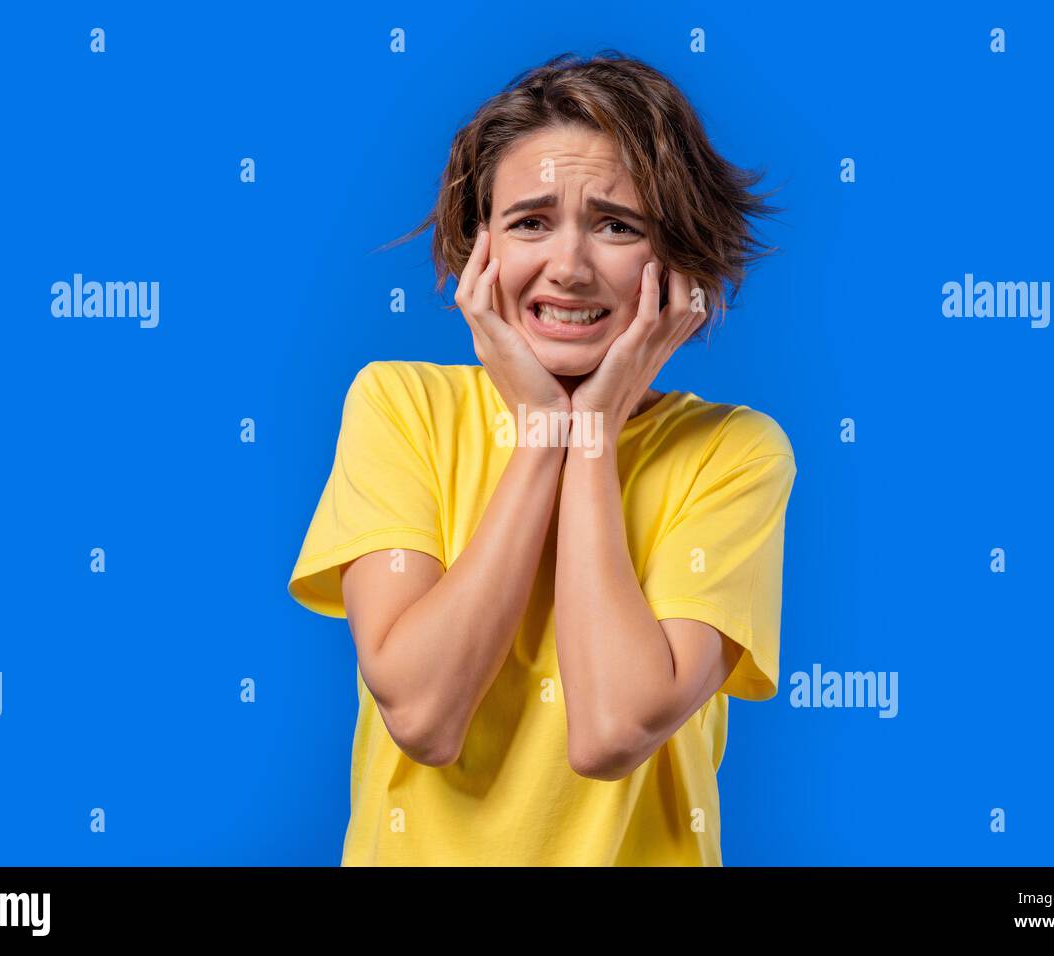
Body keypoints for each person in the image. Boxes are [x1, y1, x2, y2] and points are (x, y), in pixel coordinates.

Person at [288, 50, 797, 866]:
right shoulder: (399, 407)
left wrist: (588, 435)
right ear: (478, 250)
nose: (568, 266)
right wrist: (542, 438)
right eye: (530, 221)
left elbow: (612, 729)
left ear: (680, 260)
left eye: (617, 225)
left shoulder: (732, 454)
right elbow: (422, 715)